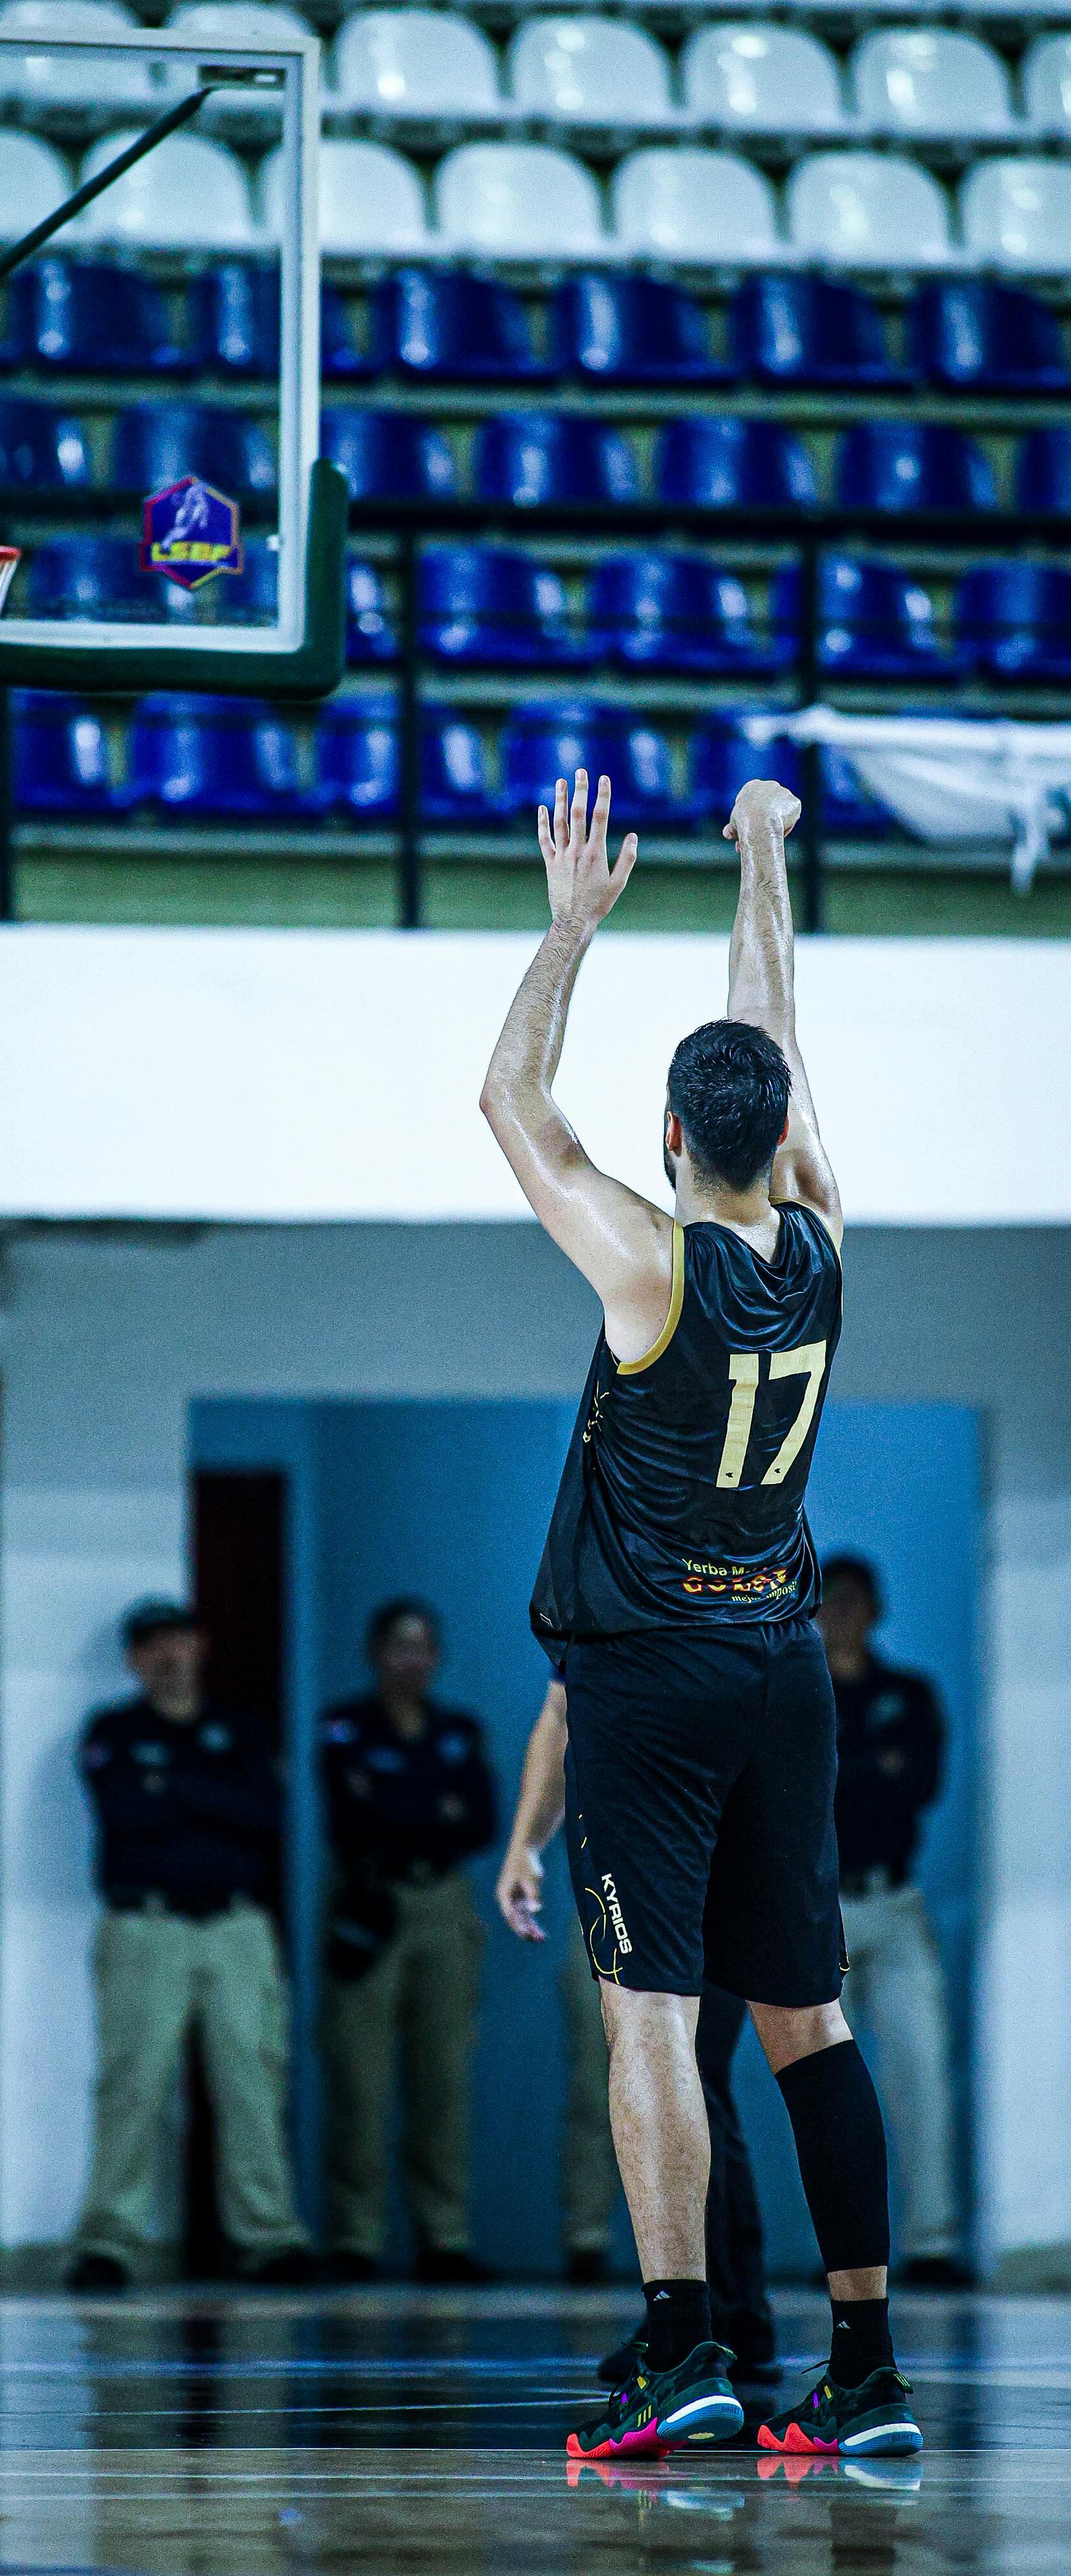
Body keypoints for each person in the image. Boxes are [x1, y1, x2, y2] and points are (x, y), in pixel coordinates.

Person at [480, 769, 921, 2463]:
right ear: (780, 1136)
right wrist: (759, 858)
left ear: (676, 1143)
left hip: (652, 1680)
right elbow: (776, 1035)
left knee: (649, 2017)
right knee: (810, 2022)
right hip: (781, 1665)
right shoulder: (822, 1234)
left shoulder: (651, 1270)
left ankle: (683, 2351)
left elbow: (512, 1102)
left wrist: (567, 931)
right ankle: (864, 2368)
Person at [499, 1681, 779, 2381]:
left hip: (695, 1863)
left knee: (685, 2071)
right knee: (687, 2075)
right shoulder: (603, 1589)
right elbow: (562, 1708)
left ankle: (707, 2321)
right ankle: (725, 2314)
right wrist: (527, 1844)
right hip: (645, 1863)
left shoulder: (711, 1587)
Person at [66, 1599, 313, 2291]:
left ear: (200, 1647)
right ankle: (109, 2241)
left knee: (252, 2081)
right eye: (152, 1646)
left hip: (235, 1929)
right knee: (134, 2086)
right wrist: (209, 1796)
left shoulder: (239, 1729)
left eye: (178, 1641)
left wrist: (170, 1785)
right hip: (147, 1929)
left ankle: (268, 2238)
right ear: (134, 1660)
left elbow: (262, 1815)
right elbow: (126, 1816)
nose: (168, 1656)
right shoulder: (113, 1731)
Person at [318, 1598, 499, 2284]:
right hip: (369, 1898)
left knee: (443, 2076)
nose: (411, 1659)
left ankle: (443, 2234)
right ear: (374, 1654)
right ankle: (356, 2236)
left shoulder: (459, 1730)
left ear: (438, 1657)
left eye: (423, 1646)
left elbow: (479, 1822)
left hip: (444, 1904)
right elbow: (351, 1817)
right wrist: (429, 1810)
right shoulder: (344, 1725)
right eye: (398, 1645)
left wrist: (400, 1808)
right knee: (359, 2077)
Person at [819, 1552, 970, 2288]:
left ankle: (932, 2242)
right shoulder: (796, 1693)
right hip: (821, 1908)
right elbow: (802, 1800)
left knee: (923, 2070)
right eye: (829, 1600)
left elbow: (918, 1788)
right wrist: (865, 1776)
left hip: (895, 1901)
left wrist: (851, 1781)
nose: (841, 1613)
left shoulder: (908, 1694)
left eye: (854, 1600)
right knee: (824, 2086)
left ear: (876, 1611)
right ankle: (843, 2255)